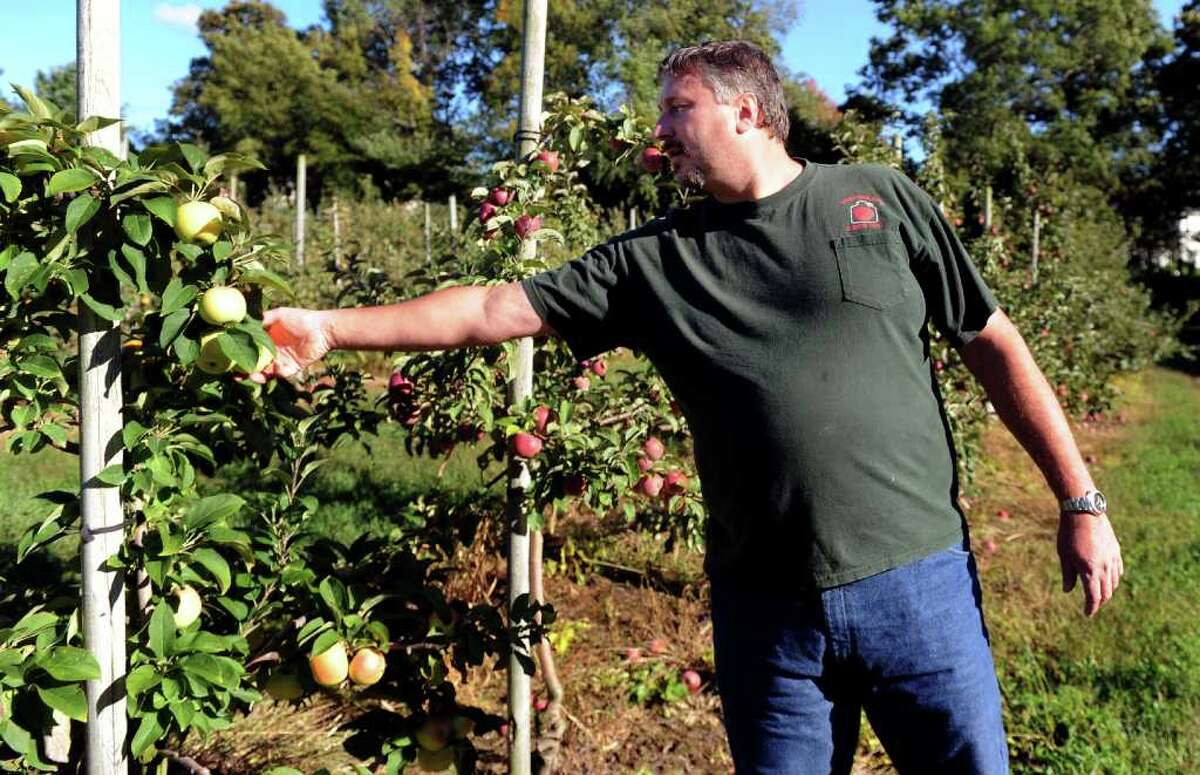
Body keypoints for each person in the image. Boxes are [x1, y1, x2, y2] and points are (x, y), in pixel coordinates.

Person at [255, 40, 1122, 775]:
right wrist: (331, 326)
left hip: (917, 583)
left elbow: (996, 344)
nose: (659, 131)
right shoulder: (656, 261)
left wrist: (1079, 500)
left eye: (678, 108)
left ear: (747, 112)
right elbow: (492, 308)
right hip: (767, 614)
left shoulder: (878, 200)